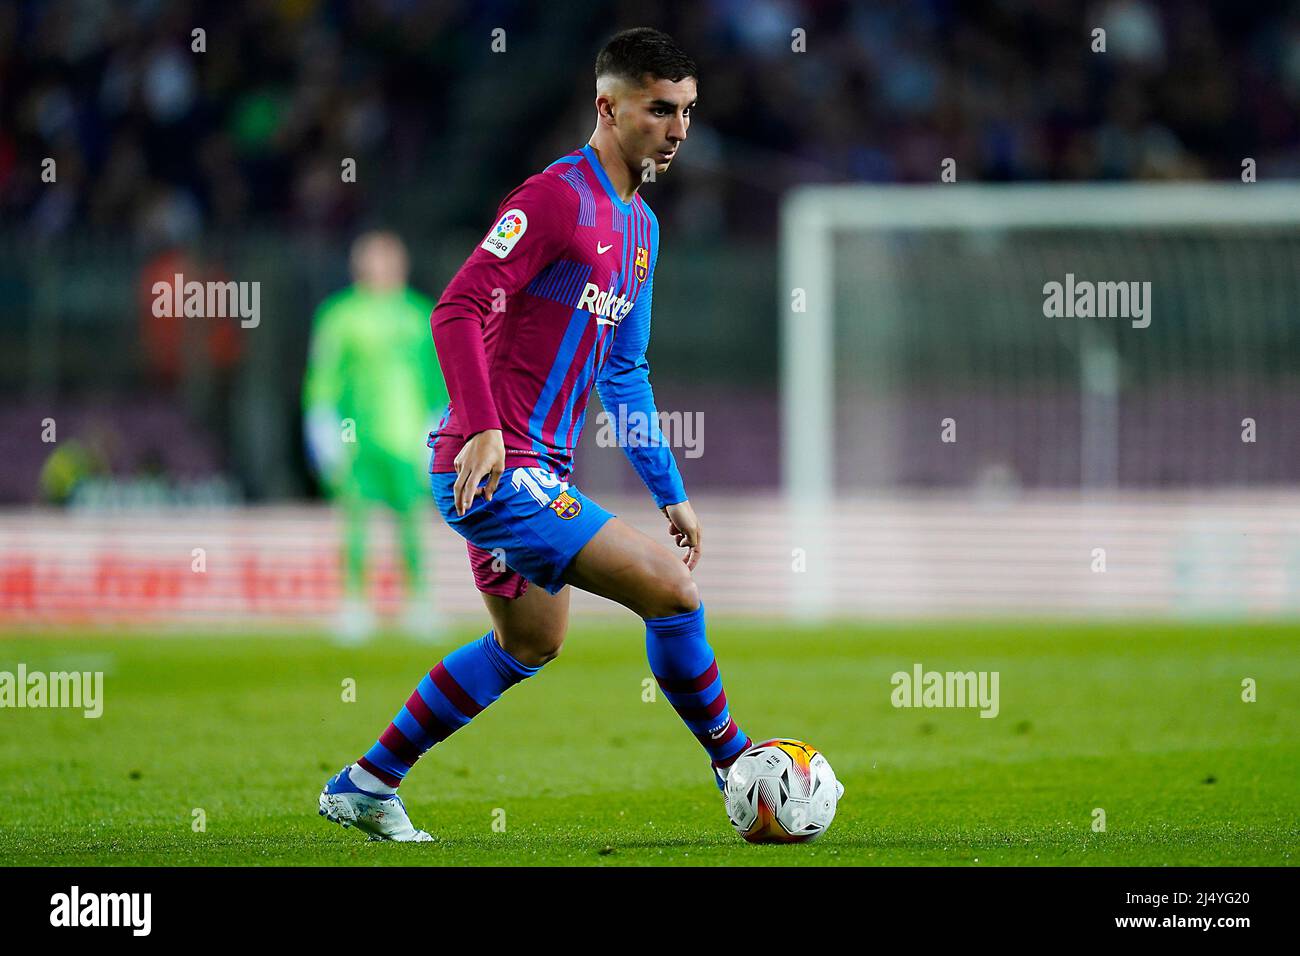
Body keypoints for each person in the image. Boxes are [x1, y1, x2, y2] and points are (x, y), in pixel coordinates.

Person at [320, 28, 763, 841]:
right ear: (609, 106)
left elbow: (623, 375)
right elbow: (455, 306)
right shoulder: (555, 199)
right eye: (659, 109)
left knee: (530, 640)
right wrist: (484, 430)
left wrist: (673, 491)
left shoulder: (640, 231)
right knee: (672, 590)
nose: (677, 129)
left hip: (531, 469)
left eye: (687, 112)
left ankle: (366, 781)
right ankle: (740, 769)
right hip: (495, 466)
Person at [303, 231, 448, 643]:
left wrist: (437, 424)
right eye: (372, 259)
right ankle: (354, 604)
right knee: (355, 520)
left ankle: (418, 602)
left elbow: (437, 377)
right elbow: (323, 375)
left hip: (408, 439)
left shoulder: (421, 315)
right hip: (355, 440)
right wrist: (320, 423)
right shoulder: (339, 316)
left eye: (388, 259)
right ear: (358, 265)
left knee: (411, 521)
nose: (380, 267)